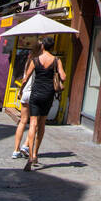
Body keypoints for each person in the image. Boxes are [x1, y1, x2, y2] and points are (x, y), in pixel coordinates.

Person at [20, 36, 65, 169]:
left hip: (36, 93)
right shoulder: (56, 60)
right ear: (52, 47)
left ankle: (29, 157)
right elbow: (63, 77)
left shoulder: (35, 60)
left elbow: (26, 77)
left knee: (33, 123)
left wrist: (21, 90)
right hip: (48, 94)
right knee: (42, 123)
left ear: (43, 46)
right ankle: (35, 153)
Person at [11, 43, 40, 159]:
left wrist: (20, 91)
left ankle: (15, 150)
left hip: (25, 93)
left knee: (22, 121)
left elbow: (24, 78)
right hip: (34, 93)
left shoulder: (28, 61)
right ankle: (26, 145)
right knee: (34, 123)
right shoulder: (39, 63)